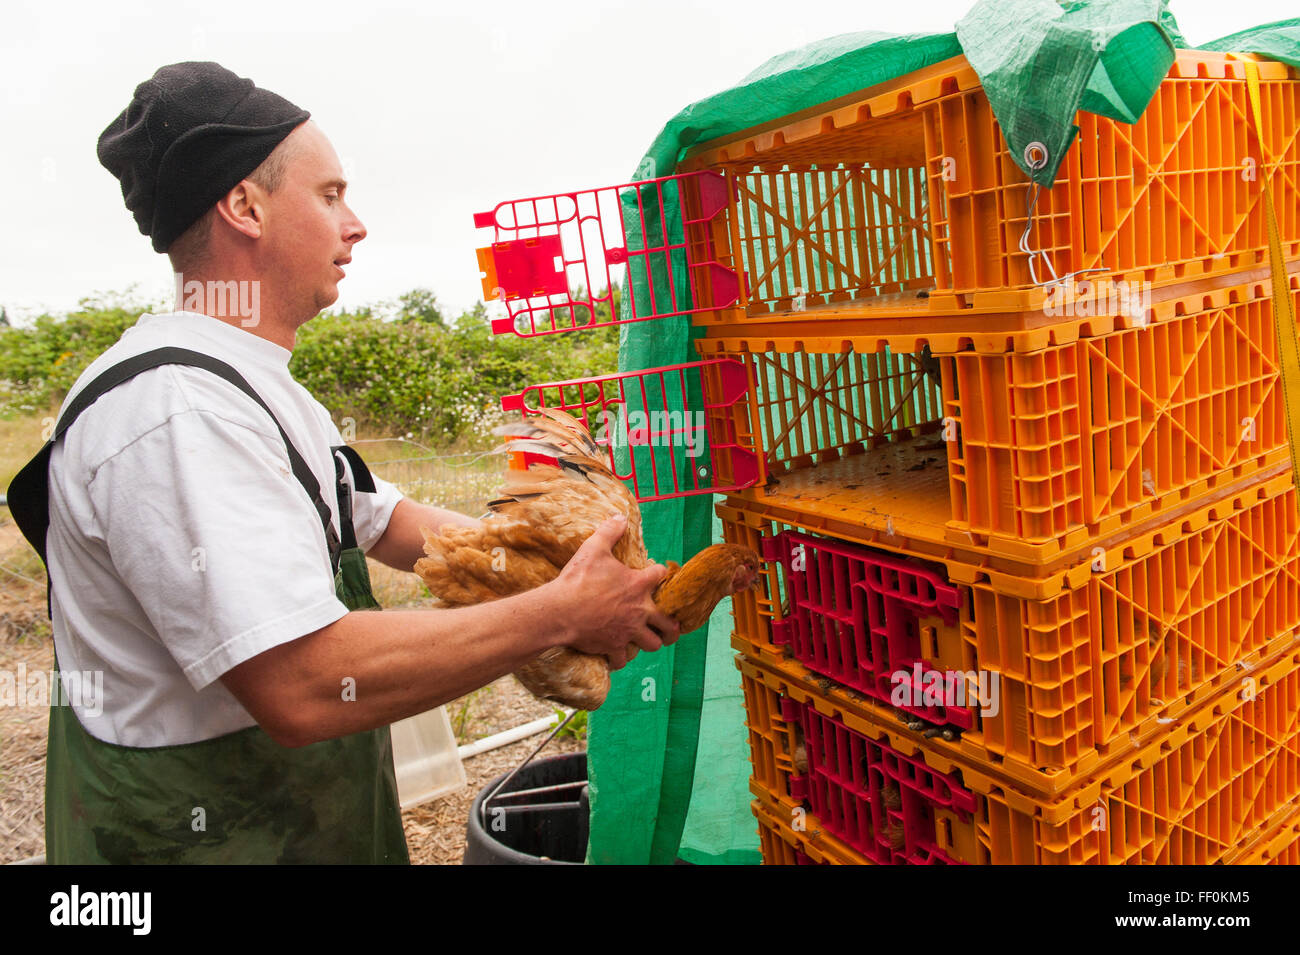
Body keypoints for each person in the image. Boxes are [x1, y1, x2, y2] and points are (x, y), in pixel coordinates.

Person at [7, 62, 679, 864]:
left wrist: (558, 562)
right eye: (329, 195)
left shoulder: (257, 382)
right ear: (244, 207)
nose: (355, 224)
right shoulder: (176, 411)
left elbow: (386, 520)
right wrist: (560, 614)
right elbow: (302, 682)